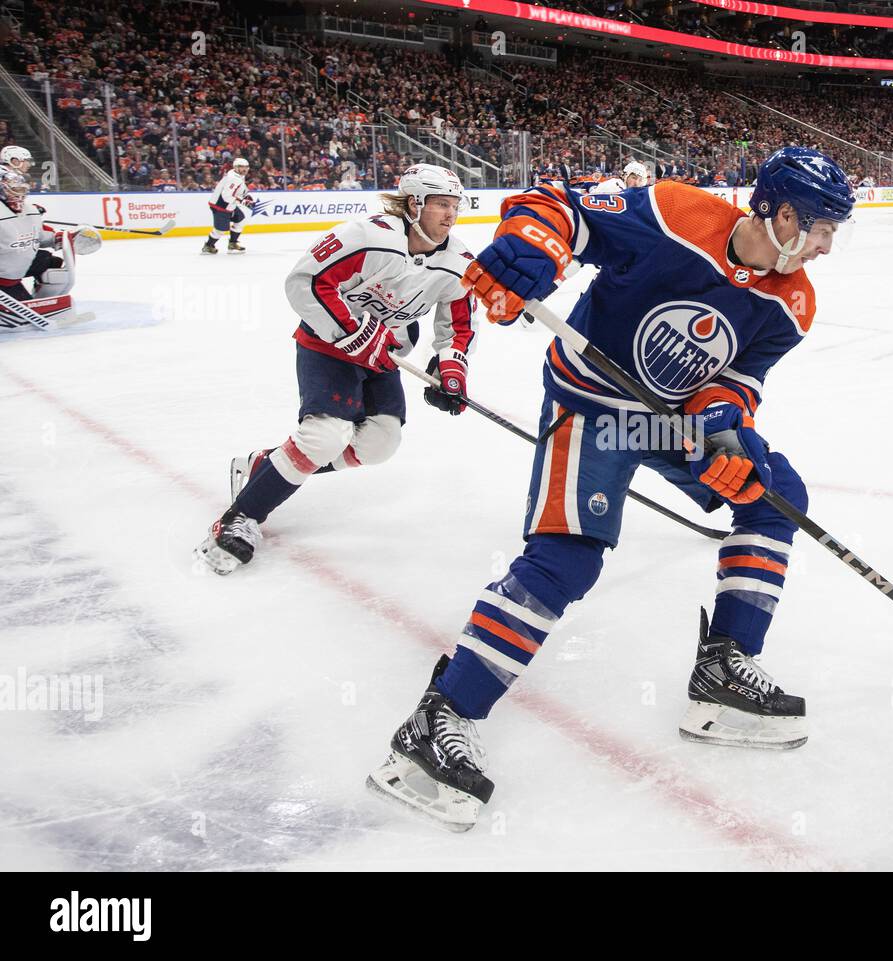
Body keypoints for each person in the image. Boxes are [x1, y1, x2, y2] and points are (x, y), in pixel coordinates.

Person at [367, 147, 856, 831]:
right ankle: (441, 714)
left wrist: (723, 430)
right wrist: (530, 245)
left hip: (669, 421)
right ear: (781, 215)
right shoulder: (676, 213)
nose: (829, 247)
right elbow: (561, 207)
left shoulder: (794, 303)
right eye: (824, 228)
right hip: (590, 404)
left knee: (775, 493)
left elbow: (739, 379)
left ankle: (725, 664)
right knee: (566, 558)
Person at [195, 164, 477, 574]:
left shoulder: (457, 261)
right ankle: (242, 515)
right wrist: (353, 330)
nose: (450, 215)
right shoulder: (368, 237)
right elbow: (305, 281)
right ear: (414, 203)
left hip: (382, 356)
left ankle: (264, 467)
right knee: (324, 437)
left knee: (381, 443)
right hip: (329, 345)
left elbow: (458, 325)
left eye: (455, 206)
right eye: (440, 205)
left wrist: (450, 369)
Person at [0, 168, 100, 327]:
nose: (18, 193)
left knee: (50, 262)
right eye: (14, 188)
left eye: (21, 188)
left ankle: (37, 301)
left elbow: (39, 236)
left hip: (13, 275)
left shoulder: (30, 211)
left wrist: (60, 238)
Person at [202, 157, 255, 255]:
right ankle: (208, 246)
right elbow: (226, 196)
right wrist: (243, 201)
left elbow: (235, 191)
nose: (245, 169)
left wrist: (244, 196)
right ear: (236, 167)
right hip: (221, 206)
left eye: (246, 167)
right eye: (241, 167)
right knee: (220, 230)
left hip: (230, 204)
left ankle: (233, 243)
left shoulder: (237, 175)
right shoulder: (233, 179)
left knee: (240, 220)